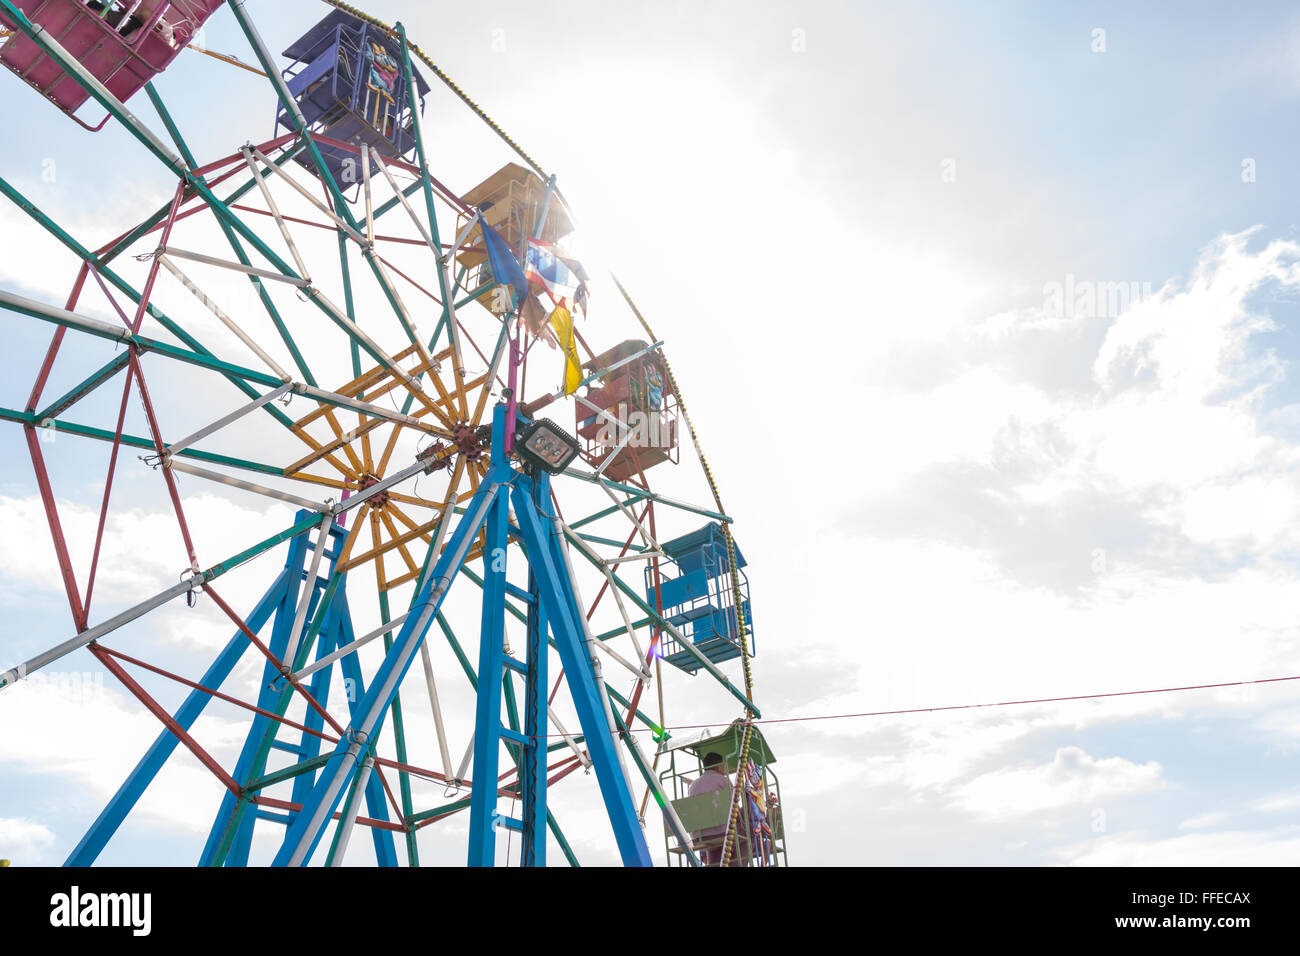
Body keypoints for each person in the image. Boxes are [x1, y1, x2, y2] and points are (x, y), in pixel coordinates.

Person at [688, 752, 733, 866]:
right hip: (720, 832)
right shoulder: (723, 780)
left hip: (698, 836)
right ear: (719, 766)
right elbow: (734, 802)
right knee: (748, 829)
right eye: (724, 765)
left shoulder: (693, 785)